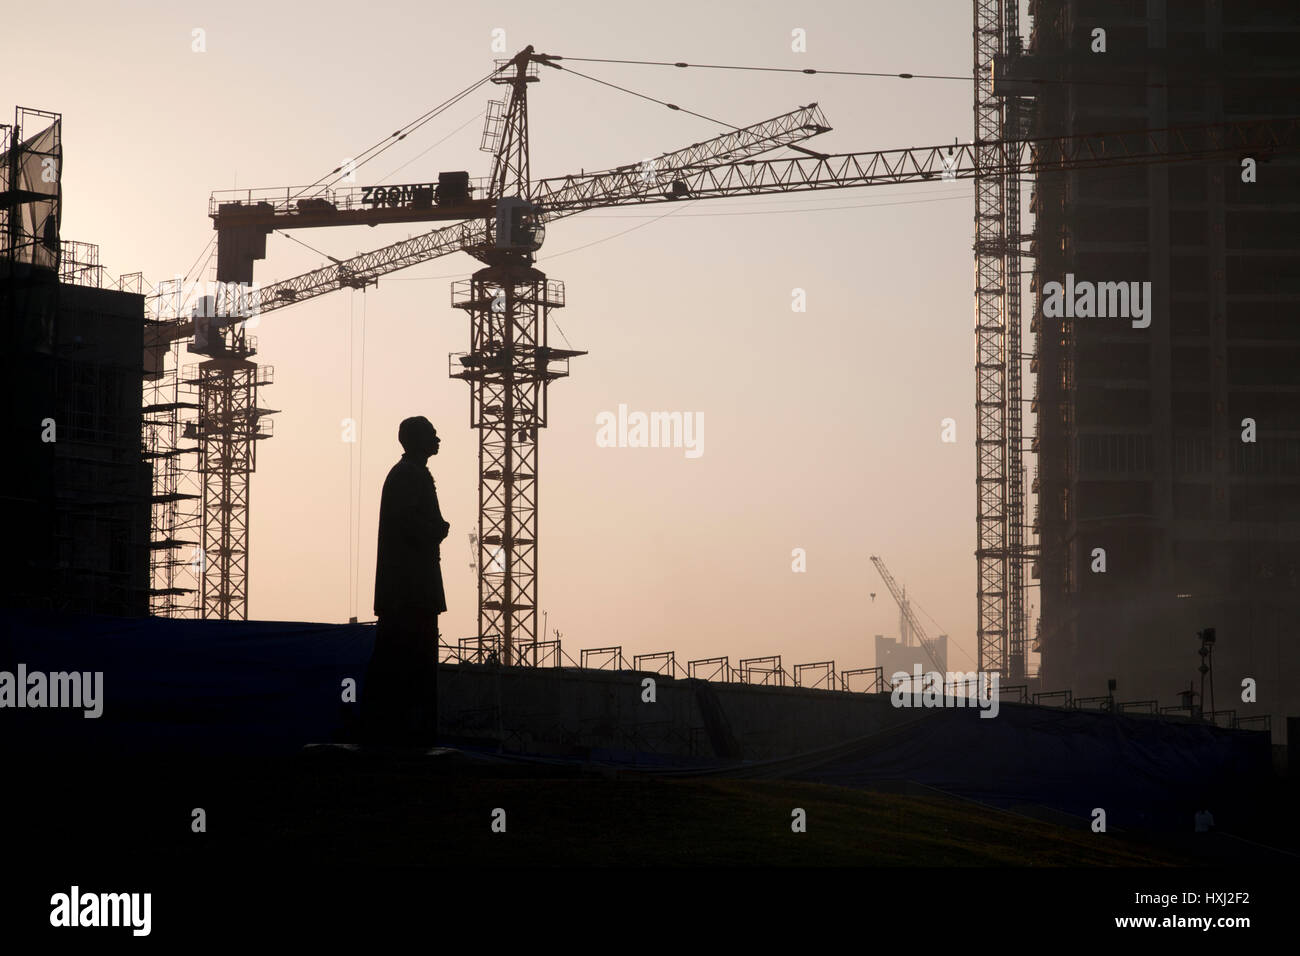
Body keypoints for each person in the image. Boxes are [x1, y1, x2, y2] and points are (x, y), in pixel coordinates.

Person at [363, 416, 450, 747]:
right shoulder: (408, 476)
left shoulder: (412, 474)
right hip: (408, 590)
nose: (438, 439)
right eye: (432, 434)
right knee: (407, 660)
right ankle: (402, 734)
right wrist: (436, 530)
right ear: (416, 440)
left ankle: (400, 732)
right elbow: (409, 524)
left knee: (405, 659)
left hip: (411, 589)